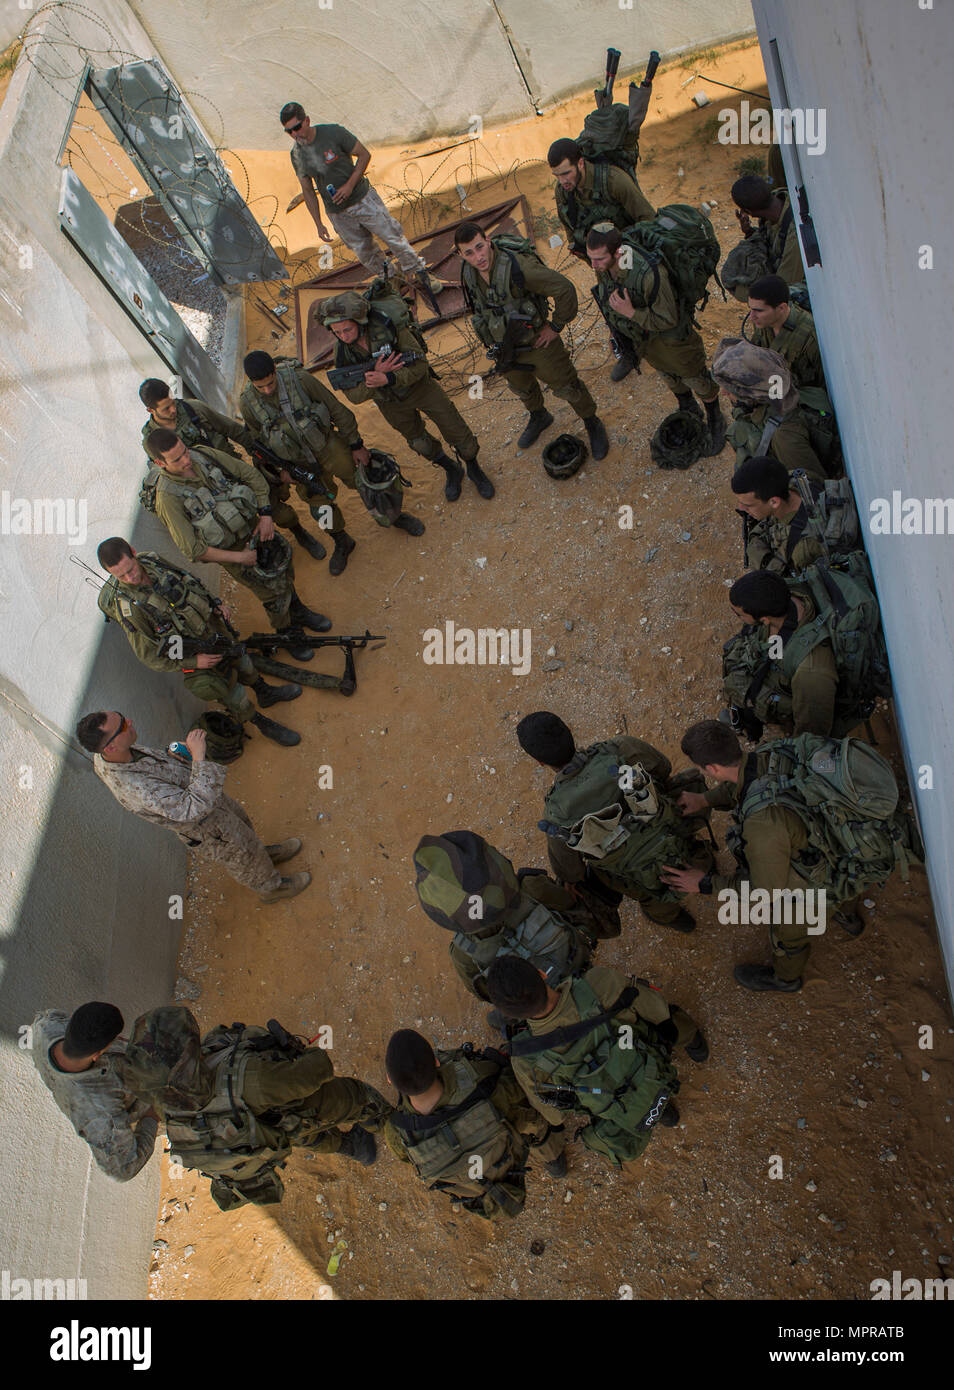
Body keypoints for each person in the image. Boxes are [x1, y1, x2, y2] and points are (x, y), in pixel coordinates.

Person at [660, 720, 909, 991]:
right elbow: (743, 781)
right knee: (838, 878)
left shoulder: (763, 824)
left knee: (788, 927)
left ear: (711, 769)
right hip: (847, 847)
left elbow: (765, 890)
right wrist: (705, 799)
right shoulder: (774, 752)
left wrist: (705, 883)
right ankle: (848, 916)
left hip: (818, 876)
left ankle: (786, 979)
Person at [123, 1007, 392, 1210]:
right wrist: (303, 1052)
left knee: (301, 1132)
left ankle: (353, 1147)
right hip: (283, 1110)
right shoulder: (249, 1079)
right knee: (357, 1098)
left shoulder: (167, 1103)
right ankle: (391, 1126)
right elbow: (319, 1070)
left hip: (264, 1131)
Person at [486, 956, 707, 1168]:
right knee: (669, 1023)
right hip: (647, 1060)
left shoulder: (525, 1060)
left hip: (613, 1105)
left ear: (509, 1015)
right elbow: (656, 1008)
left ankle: (656, 1113)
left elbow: (556, 1116)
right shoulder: (598, 982)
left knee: (625, 1101)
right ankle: (695, 1045)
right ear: (541, 974)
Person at [76, 710, 311, 902]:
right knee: (242, 857)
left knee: (245, 835)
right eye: (123, 727)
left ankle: (262, 854)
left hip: (207, 800)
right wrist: (199, 758)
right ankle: (271, 888)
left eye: (121, 716)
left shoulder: (113, 754)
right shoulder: (135, 787)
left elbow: (156, 770)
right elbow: (192, 809)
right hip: (206, 826)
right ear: (110, 747)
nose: (130, 721)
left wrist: (171, 755)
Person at [96, 537, 308, 749]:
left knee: (243, 661)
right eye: (120, 575)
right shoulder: (129, 608)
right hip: (194, 653)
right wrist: (194, 662)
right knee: (231, 693)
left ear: (134, 552)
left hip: (212, 628)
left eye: (130, 568)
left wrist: (215, 603)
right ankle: (262, 723)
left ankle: (265, 692)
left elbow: (189, 579)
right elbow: (150, 657)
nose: (130, 577)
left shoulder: (151, 561)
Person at [516, 710, 712, 933]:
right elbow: (663, 768)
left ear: (539, 762)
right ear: (570, 730)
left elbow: (571, 873)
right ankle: (702, 860)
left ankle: (669, 915)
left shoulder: (555, 815)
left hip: (633, 873)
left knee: (612, 883)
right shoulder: (621, 749)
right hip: (672, 830)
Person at [147, 426, 329, 652]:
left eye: (184, 451)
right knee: (270, 594)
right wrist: (240, 557)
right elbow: (193, 549)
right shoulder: (167, 498)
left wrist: (265, 514)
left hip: (256, 528)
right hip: (232, 551)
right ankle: (287, 634)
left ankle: (298, 611)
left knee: (283, 570)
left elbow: (249, 474)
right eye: (177, 459)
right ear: (160, 464)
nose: (186, 459)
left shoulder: (202, 454)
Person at [240, 349, 416, 575]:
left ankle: (395, 517)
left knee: (365, 481)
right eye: (260, 386)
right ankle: (342, 541)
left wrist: (356, 445)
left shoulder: (299, 379)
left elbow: (336, 409)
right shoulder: (247, 404)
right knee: (320, 511)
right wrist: (280, 472)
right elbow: (258, 444)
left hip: (328, 447)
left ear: (275, 371)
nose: (267, 390)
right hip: (299, 465)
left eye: (270, 383)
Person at [412, 830, 619, 1010]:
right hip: (576, 966)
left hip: (532, 1005)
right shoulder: (533, 889)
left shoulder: (462, 954)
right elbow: (570, 908)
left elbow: (485, 993)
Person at [319, 290, 494, 501]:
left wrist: (390, 378)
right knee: (420, 443)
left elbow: (420, 366)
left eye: (347, 329)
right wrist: (377, 379)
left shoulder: (389, 329)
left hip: (421, 389)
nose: (343, 336)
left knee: (458, 432)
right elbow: (353, 396)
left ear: (360, 321)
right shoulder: (343, 352)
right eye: (337, 332)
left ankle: (473, 468)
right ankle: (451, 469)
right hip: (390, 403)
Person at [454, 222, 609, 458]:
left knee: (567, 385)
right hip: (505, 346)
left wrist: (555, 326)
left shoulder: (519, 268)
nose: (478, 257)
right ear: (460, 255)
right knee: (521, 387)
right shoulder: (469, 273)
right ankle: (539, 415)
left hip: (537, 341)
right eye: (469, 253)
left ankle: (591, 421)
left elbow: (564, 289)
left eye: (479, 247)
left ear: (487, 241)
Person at [383, 1029, 567, 1218]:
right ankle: (553, 1160)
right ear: (436, 1061)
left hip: (472, 1185)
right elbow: (514, 1088)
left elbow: (407, 1158)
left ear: (390, 1080)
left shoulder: (397, 1131)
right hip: (506, 1151)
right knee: (533, 1122)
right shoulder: (479, 1077)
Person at [139, 379, 327, 561]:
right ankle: (268, 547)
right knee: (237, 527)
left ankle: (299, 533)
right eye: (166, 408)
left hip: (232, 473)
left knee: (275, 509)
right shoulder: (151, 441)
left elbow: (232, 429)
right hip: (204, 495)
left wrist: (259, 453)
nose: (173, 410)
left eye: (172, 403)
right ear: (150, 410)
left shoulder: (193, 409)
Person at [281, 102, 443, 300]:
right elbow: (307, 189)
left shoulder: (333, 133)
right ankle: (392, 277)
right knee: (364, 252)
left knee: (392, 237)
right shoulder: (297, 155)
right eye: (289, 132)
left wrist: (349, 185)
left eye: (297, 127)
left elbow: (364, 154)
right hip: (338, 212)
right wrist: (318, 222)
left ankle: (420, 272)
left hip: (362, 199)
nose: (295, 134)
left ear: (307, 120)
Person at [586, 227, 727, 452]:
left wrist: (630, 312)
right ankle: (687, 405)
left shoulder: (648, 274)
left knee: (695, 377)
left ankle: (715, 417)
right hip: (645, 339)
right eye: (591, 258)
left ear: (618, 253)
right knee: (666, 373)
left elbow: (668, 319)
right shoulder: (604, 267)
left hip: (672, 339)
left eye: (599, 259)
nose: (593, 265)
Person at [547, 136, 654, 381]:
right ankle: (628, 352)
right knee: (610, 304)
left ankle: (657, 341)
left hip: (630, 253)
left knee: (641, 296)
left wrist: (618, 248)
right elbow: (569, 225)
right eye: (557, 176)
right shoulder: (564, 192)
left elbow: (648, 219)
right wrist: (593, 257)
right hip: (600, 259)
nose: (562, 181)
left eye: (566, 173)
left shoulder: (613, 181)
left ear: (581, 163)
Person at [31, 1003, 158, 1181]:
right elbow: (124, 1169)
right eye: (113, 1040)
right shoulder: (100, 1114)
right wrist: (152, 1116)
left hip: (126, 1070)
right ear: (97, 1054)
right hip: (144, 1100)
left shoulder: (48, 1025)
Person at [722, 569, 839, 739]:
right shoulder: (786, 600)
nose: (737, 617)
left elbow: (811, 736)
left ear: (765, 620)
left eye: (739, 614)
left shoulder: (812, 672)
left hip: (802, 705)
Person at [711, 337, 833, 479]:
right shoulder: (777, 389)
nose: (723, 393)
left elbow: (810, 489)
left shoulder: (786, 438)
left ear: (753, 392)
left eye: (731, 389)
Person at [730, 455, 859, 576]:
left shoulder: (803, 548)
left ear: (774, 502)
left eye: (748, 505)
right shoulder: (796, 480)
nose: (742, 508)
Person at [725, 175, 805, 303]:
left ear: (748, 211)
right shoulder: (777, 201)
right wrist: (750, 232)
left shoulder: (795, 236)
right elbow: (772, 240)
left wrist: (745, 293)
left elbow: (783, 288)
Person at [742, 276, 825, 390]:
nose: (752, 317)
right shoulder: (765, 322)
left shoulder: (810, 338)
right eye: (751, 309)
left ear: (781, 308)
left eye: (759, 310)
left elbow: (824, 388)